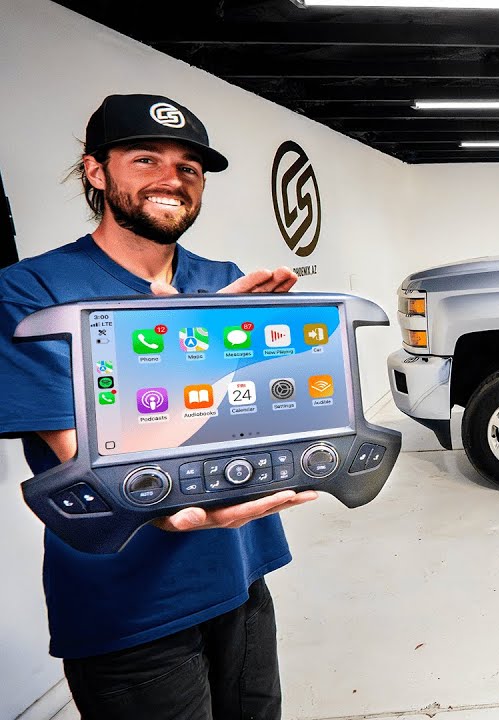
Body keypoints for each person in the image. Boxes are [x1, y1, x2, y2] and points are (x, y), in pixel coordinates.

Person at [0, 94, 313, 719]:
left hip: (240, 575)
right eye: (146, 159)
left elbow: (259, 422)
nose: (172, 179)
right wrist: (191, 353)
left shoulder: (221, 279)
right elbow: (95, 464)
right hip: (127, 606)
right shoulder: (31, 291)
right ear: (96, 171)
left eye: (188, 168)